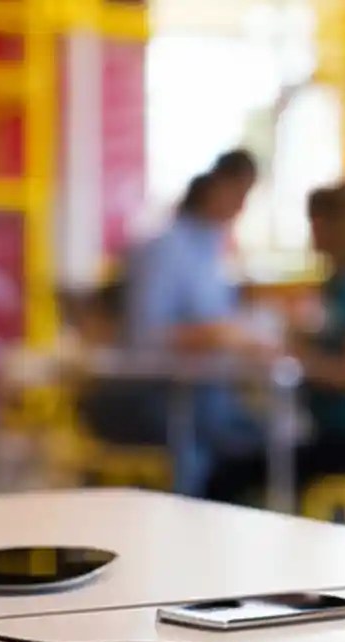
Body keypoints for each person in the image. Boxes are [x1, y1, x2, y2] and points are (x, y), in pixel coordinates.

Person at [209, 180, 345, 504]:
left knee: (226, 476)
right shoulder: (343, 285)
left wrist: (297, 357)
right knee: (246, 447)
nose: (311, 234)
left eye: (315, 224)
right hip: (335, 435)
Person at [123, 149, 269, 496]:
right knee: (220, 452)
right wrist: (215, 335)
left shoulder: (214, 249)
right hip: (165, 399)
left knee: (277, 440)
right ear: (216, 188)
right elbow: (145, 334)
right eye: (237, 194)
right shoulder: (166, 248)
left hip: (211, 397)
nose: (240, 207)